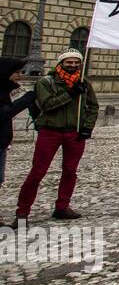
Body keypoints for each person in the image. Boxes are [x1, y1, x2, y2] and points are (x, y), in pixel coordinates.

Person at [13, 49, 98, 224]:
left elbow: (93, 107)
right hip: (50, 131)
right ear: (61, 63)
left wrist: (87, 128)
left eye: (76, 62)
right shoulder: (46, 82)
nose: (73, 65)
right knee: (37, 173)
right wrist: (71, 93)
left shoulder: (84, 83)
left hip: (74, 133)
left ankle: (62, 207)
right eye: (69, 62)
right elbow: (48, 105)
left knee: (70, 172)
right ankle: (22, 213)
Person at [0, 60, 35, 195]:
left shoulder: (6, 89)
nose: (19, 76)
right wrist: (26, 99)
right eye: (16, 73)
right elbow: (4, 113)